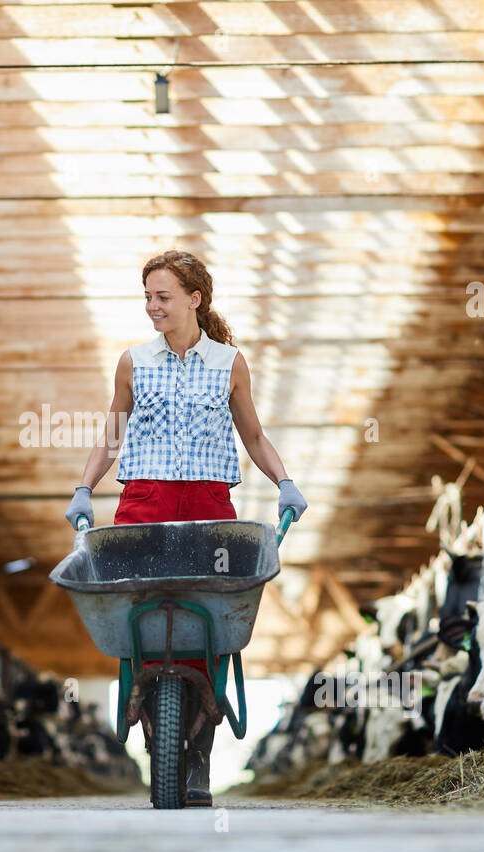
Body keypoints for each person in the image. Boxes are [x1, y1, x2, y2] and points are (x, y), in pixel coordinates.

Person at [64, 249, 307, 806]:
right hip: (143, 502)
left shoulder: (229, 363)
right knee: (142, 631)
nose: (152, 306)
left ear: (195, 298)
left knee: (206, 641)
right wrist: (84, 487)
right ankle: (159, 737)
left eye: (163, 296)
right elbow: (112, 434)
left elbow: (253, 435)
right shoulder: (132, 362)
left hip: (208, 505)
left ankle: (196, 759)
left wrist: (284, 482)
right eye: (147, 296)